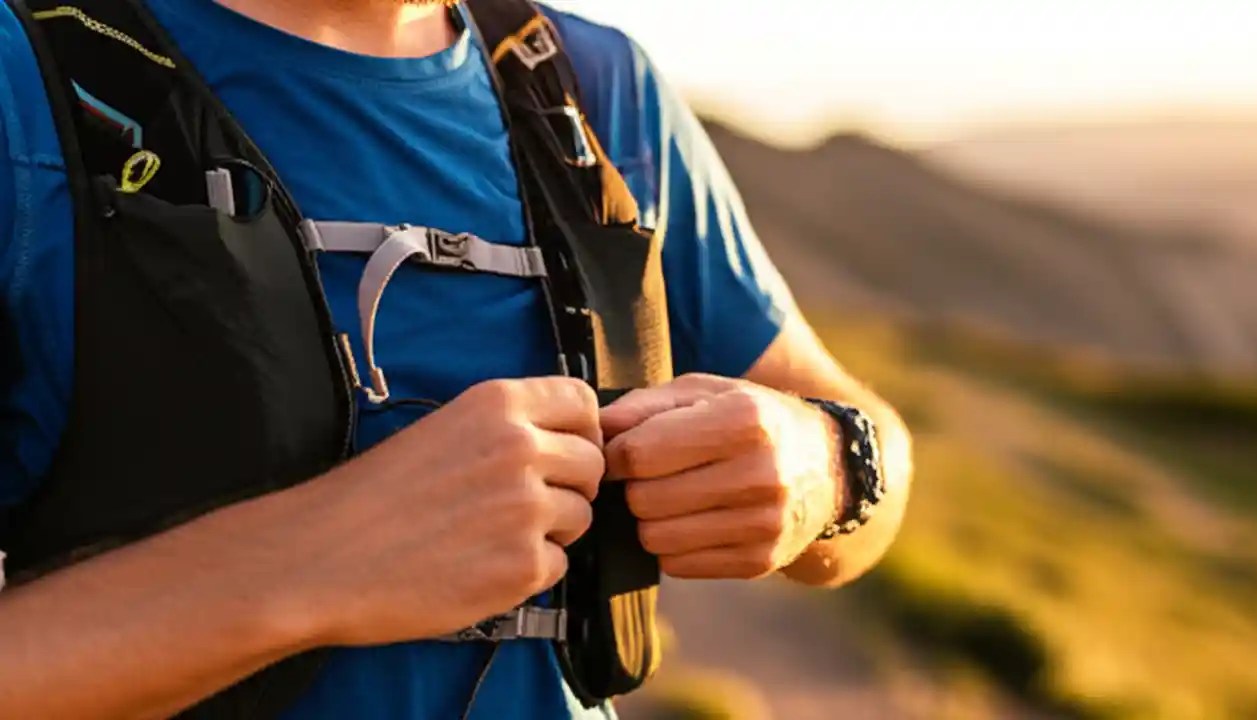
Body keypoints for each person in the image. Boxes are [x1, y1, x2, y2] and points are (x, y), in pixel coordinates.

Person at [0, 0, 913, 717]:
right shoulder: (22, 76)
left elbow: (865, 456)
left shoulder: (596, 91)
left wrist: (825, 465)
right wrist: (312, 562)